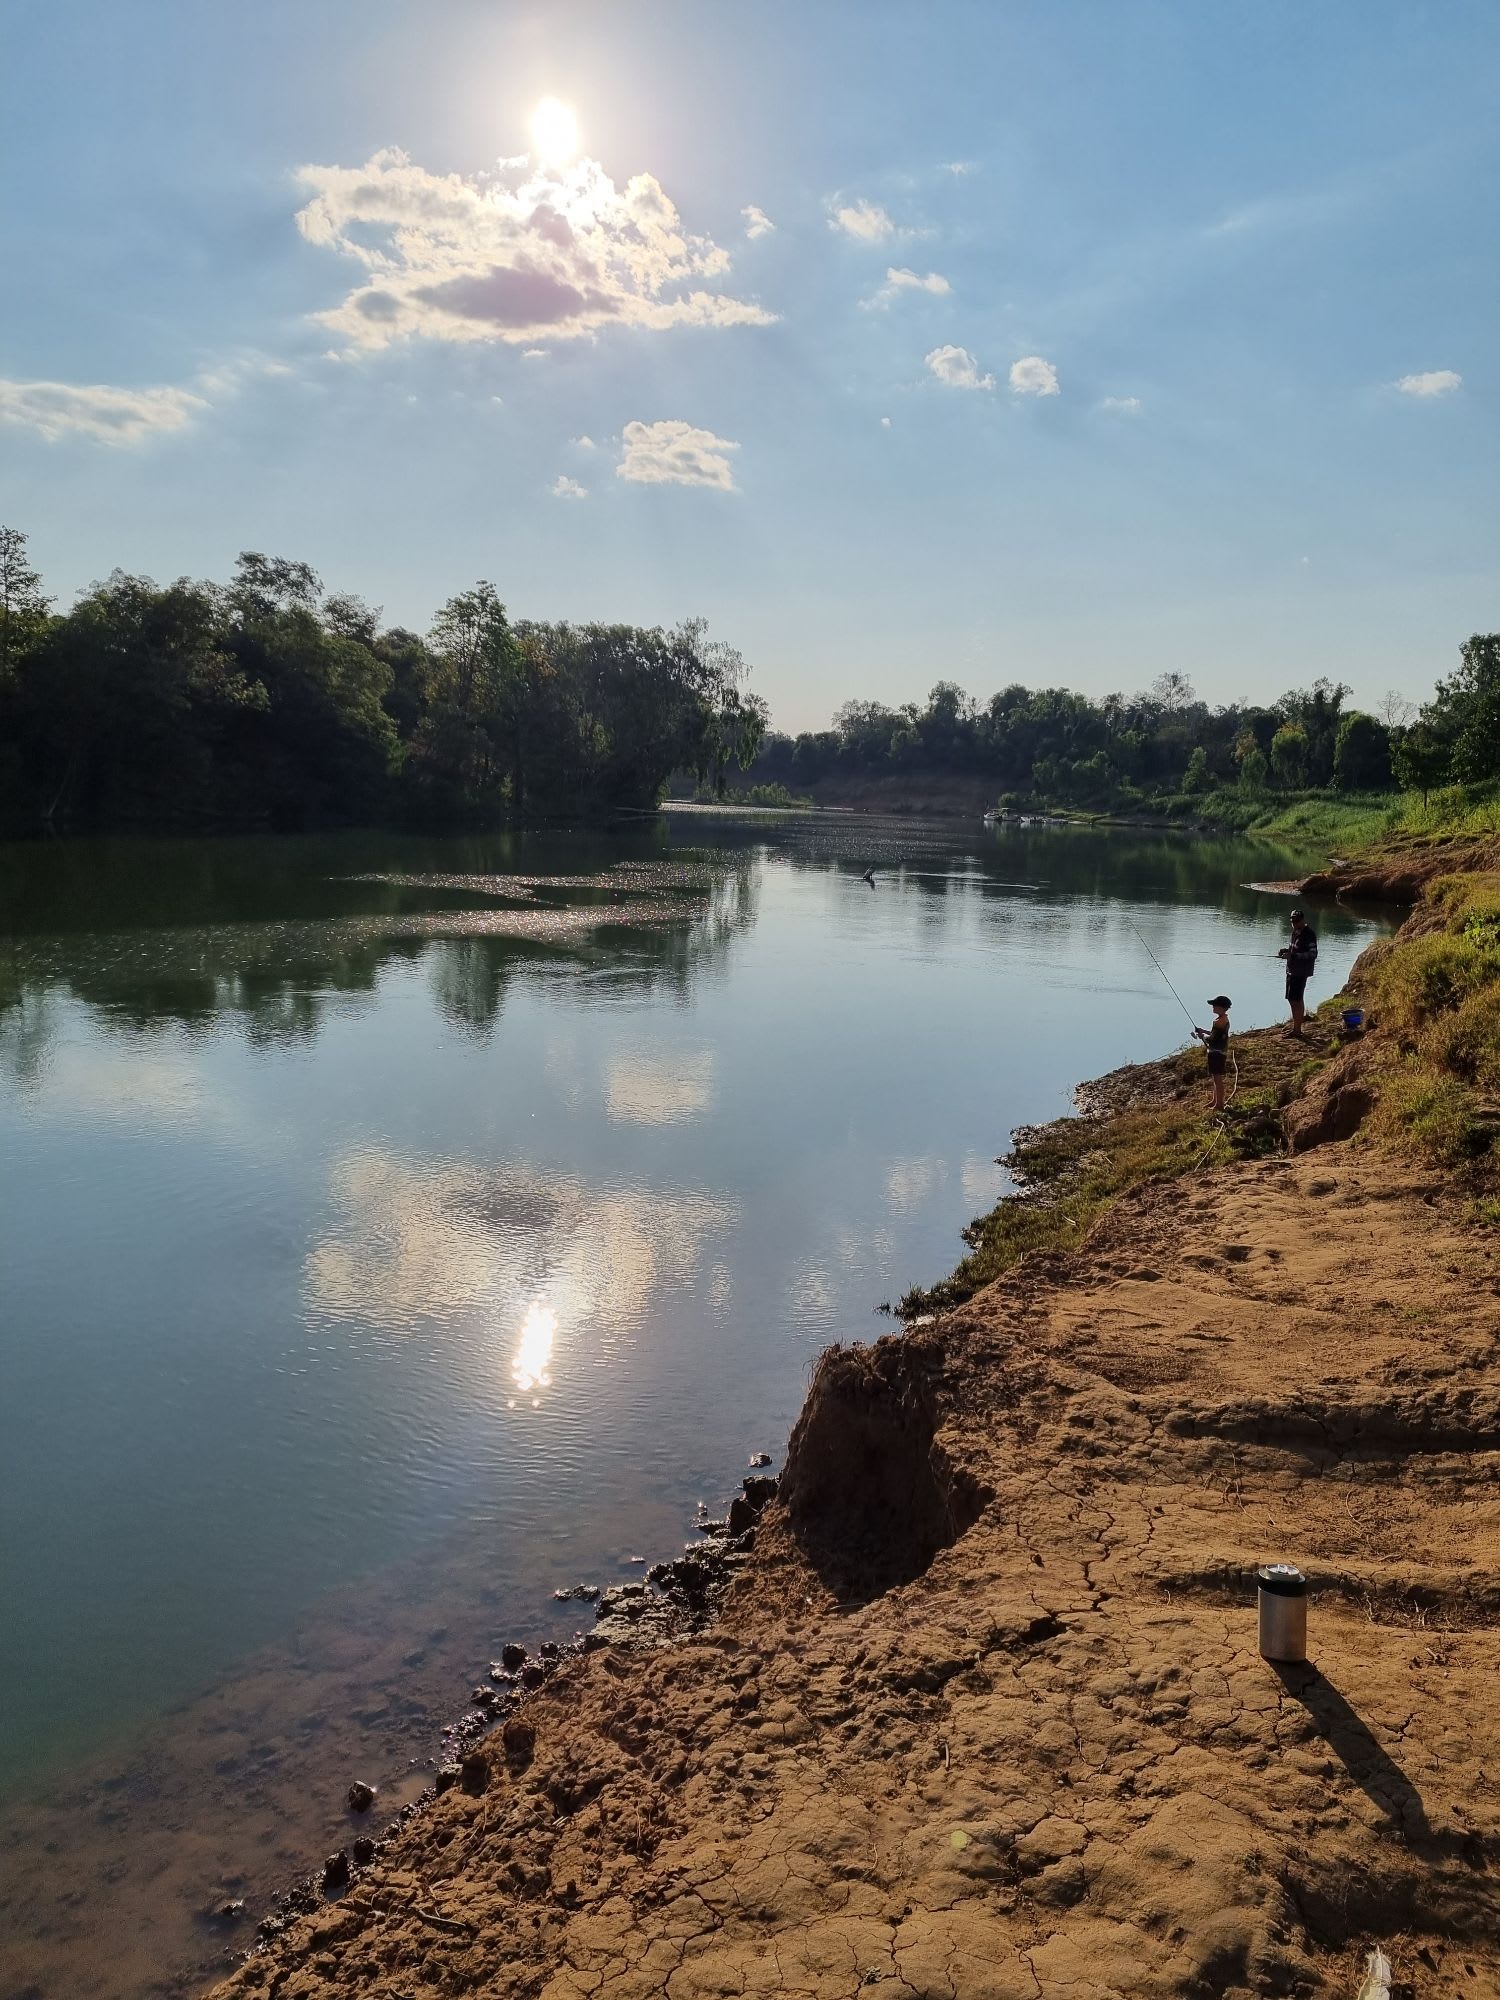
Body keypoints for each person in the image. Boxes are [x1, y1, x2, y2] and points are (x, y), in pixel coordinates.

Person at [1278, 909, 1319, 1039]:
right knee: (1291, 999)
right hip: (1291, 970)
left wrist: (1293, 956)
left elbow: (1313, 954)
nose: (1294, 923)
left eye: (1296, 921)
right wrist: (1286, 951)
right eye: (1292, 921)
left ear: (1302, 920)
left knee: (1297, 999)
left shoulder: (1309, 934)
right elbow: (1294, 949)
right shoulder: (1295, 932)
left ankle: (1297, 1030)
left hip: (1300, 972)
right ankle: (1296, 1028)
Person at [1194, 995, 1232, 1111]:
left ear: (1221, 1007)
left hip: (1217, 1053)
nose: (1213, 1007)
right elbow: (1214, 1033)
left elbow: (1213, 1039)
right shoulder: (1221, 1019)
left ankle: (1219, 1104)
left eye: (1215, 1005)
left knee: (1217, 1078)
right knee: (1215, 1077)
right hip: (1217, 1052)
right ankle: (1215, 1101)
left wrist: (1202, 1036)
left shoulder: (1220, 1022)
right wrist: (1204, 1031)